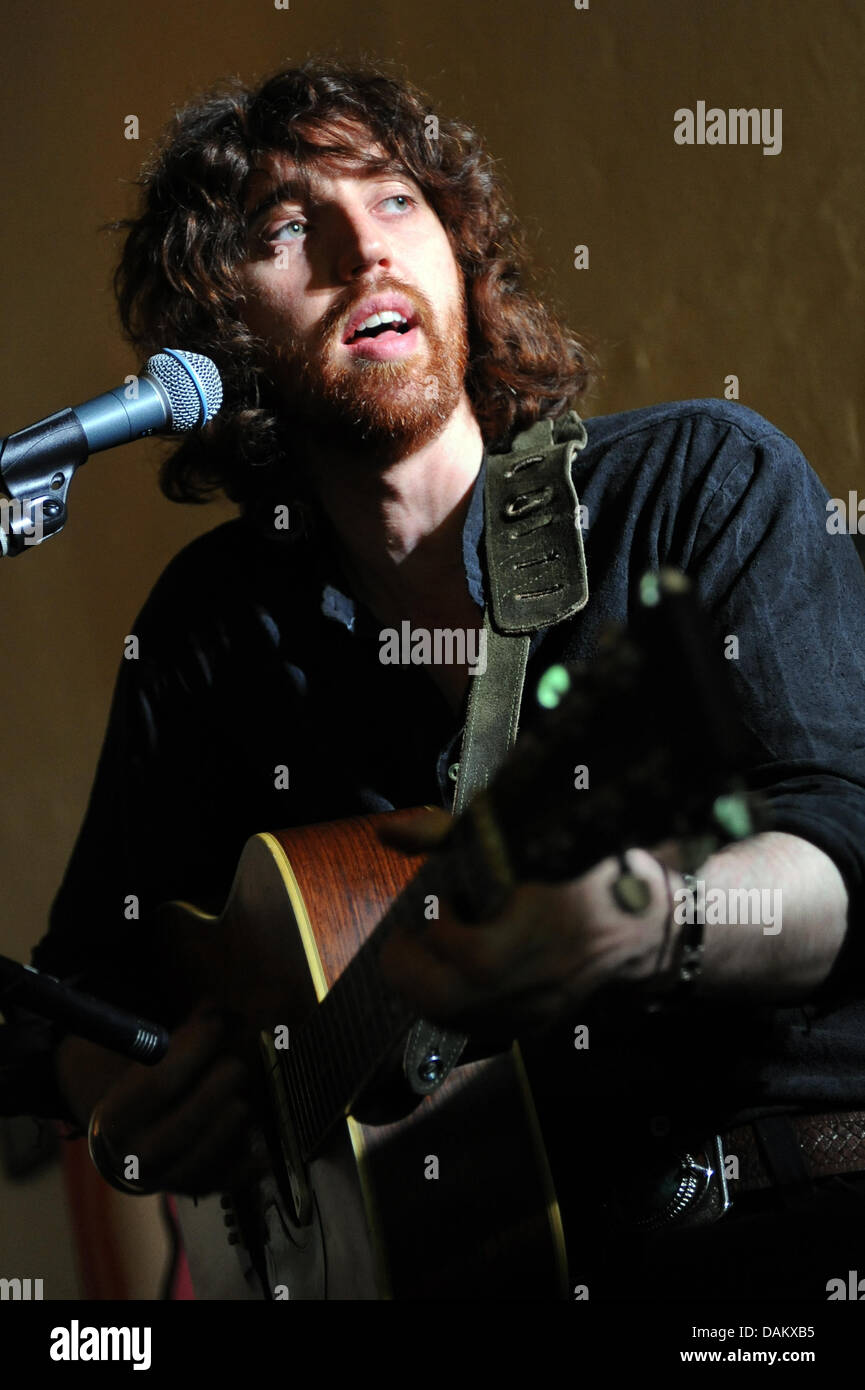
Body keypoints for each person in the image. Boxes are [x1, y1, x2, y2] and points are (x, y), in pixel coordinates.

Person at [9, 58, 865, 1300]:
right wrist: (125, 1106)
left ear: (459, 251)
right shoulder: (213, 633)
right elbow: (69, 989)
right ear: (219, 328)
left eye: (397, 199)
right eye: (288, 227)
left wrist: (652, 919)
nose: (364, 248)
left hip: (772, 1233)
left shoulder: (692, 486)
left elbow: (846, 844)